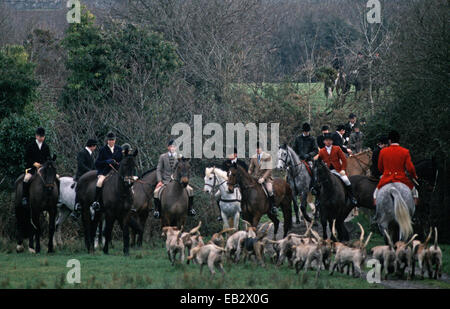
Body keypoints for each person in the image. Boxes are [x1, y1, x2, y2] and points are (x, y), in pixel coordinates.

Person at [373, 130, 419, 206]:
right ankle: (413, 210)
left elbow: (380, 167)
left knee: (375, 195)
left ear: (390, 141)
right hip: (401, 178)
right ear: (399, 140)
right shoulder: (405, 151)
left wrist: (385, 173)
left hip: (386, 178)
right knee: (415, 193)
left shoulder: (383, 151)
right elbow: (410, 168)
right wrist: (414, 175)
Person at [153, 140, 196, 219]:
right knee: (156, 192)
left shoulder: (180, 157)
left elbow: (184, 168)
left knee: (190, 190)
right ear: (168, 147)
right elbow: (158, 169)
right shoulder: (163, 157)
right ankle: (157, 211)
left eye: (174, 146)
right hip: (165, 181)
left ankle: (190, 209)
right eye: (171, 146)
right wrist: (159, 181)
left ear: (176, 148)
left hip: (178, 181)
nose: (172, 148)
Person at [318, 133, 358, 205]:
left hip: (337, 171)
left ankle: (352, 197)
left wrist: (343, 169)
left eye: (330, 140)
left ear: (332, 141)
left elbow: (344, 160)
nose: (328, 142)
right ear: (324, 142)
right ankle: (318, 201)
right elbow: (318, 162)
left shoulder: (337, 148)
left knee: (346, 181)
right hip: (327, 172)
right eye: (326, 140)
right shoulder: (321, 151)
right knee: (318, 184)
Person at [91, 132, 123, 212]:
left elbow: (122, 161)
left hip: (117, 172)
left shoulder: (119, 149)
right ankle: (96, 201)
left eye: (112, 140)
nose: (111, 141)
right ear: (107, 141)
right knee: (99, 182)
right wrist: (106, 161)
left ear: (115, 140)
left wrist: (117, 163)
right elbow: (97, 163)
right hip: (105, 172)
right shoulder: (103, 150)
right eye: (109, 140)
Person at [21, 127, 51, 207]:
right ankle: (24, 197)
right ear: (36, 136)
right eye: (40, 136)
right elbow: (26, 157)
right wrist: (34, 163)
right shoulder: (31, 146)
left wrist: (44, 164)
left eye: (43, 136)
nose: (41, 138)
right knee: (26, 178)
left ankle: (55, 198)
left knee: (54, 177)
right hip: (32, 168)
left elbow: (48, 158)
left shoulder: (46, 146)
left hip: (43, 168)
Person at [71, 138, 97, 219]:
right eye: (95, 146)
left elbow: (93, 166)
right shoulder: (82, 153)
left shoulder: (90, 154)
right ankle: (77, 205)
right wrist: (90, 172)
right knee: (80, 186)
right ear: (92, 146)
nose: (95, 148)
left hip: (90, 175)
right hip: (82, 175)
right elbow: (81, 165)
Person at [248, 142, 277, 215]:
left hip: (266, 178)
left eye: (258, 148)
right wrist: (248, 174)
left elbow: (269, 169)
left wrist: (263, 178)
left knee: (270, 190)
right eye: (256, 148)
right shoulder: (253, 157)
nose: (257, 150)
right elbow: (251, 168)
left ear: (261, 148)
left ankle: (273, 206)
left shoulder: (267, 156)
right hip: (256, 178)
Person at [293, 122, 318, 190]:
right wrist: (298, 156)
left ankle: (314, 186)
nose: (306, 133)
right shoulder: (298, 138)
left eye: (307, 131)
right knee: (290, 170)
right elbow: (294, 149)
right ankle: (290, 185)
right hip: (299, 160)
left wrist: (308, 155)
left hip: (308, 160)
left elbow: (316, 150)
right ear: (303, 131)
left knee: (314, 171)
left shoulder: (312, 139)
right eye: (305, 131)